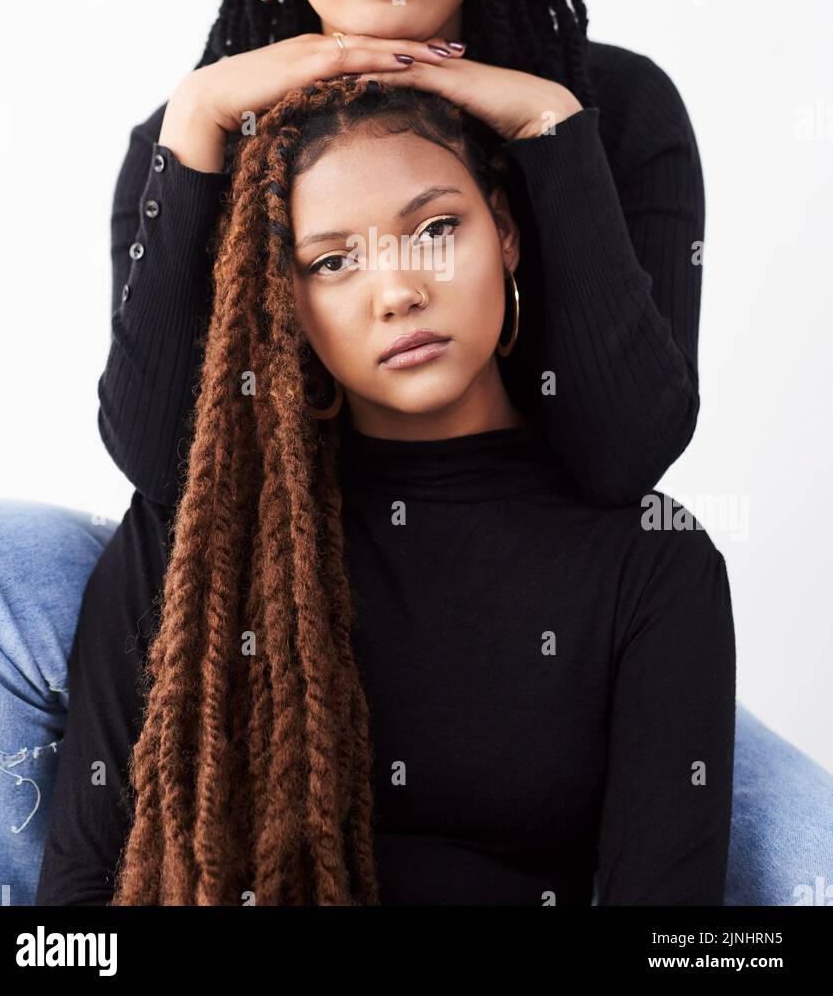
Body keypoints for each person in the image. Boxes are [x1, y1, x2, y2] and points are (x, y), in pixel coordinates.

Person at [0, 0, 831, 907]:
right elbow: (169, 465)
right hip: (265, 581)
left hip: (559, 652)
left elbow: (622, 449)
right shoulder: (198, 137)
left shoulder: (613, 113)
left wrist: (547, 131)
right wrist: (205, 124)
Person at [37, 77, 736, 905]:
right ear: (282, 303)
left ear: (505, 234)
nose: (398, 290)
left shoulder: (654, 560)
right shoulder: (197, 539)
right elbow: (79, 902)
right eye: (332, 262)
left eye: (436, 229)